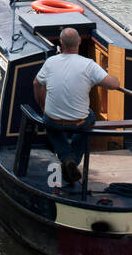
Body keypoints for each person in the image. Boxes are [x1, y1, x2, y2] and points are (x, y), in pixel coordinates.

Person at [33, 27, 122, 184]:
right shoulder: (89, 65)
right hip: (78, 123)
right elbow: (113, 85)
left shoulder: (50, 62)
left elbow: (36, 83)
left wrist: (42, 106)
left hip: (52, 119)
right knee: (90, 118)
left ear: (61, 43)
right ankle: (72, 159)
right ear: (80, 42)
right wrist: (114, 77)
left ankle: (67, 157)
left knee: (51, 125)